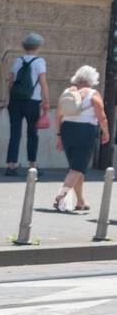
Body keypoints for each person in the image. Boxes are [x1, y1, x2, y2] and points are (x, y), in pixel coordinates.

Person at [52, 66, 110, 212]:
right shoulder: (93, 94)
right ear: (92, 80)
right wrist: (106, 132)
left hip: (66, 130)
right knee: (77, 168)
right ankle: (61, 196)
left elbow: (58, 115)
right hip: (85, 131)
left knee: (77, 168)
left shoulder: (67, 92)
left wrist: (59, 135)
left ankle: (80, 202)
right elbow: (101, 116)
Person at [5, 33, 49, 176]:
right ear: (38, 46)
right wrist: (46, 101)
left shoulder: (18, 60)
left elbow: (10, 81)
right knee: (32, 134)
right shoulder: (39, 61)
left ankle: (10, 165)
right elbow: (43, 82)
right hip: (32, 102)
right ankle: (32, 166)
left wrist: (10, 99)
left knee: (14, 134)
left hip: (16, 102)